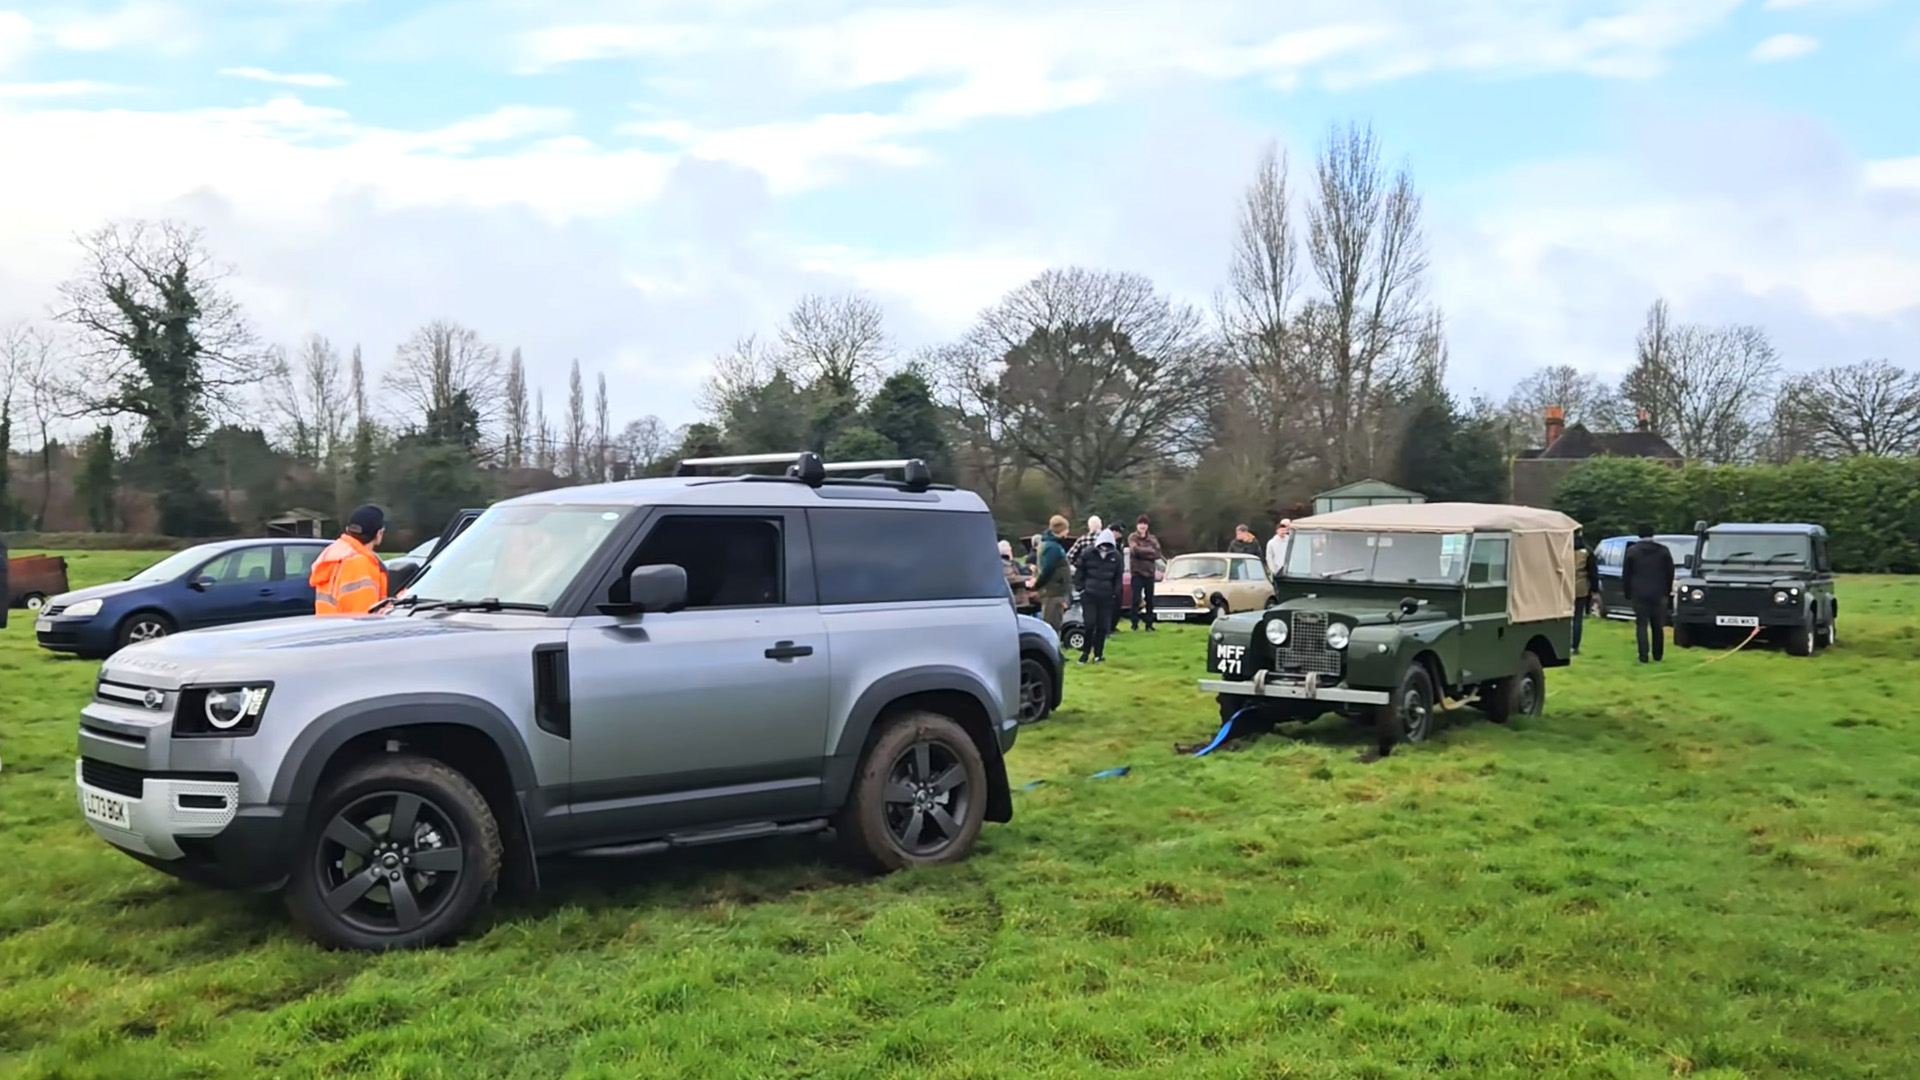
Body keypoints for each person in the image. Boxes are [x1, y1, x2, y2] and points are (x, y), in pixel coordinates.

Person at [311, 504, 389, 616]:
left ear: (348, 530)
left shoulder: (334, 553)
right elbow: (363, 615)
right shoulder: (360, 563)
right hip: (351, 630)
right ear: (379, 534)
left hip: (329, 629)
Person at [1621, 524, 1676, 663]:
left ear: (1639, 535)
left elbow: (1626, 574)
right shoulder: (1663, 551)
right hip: (1659, 593)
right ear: (1653, 534)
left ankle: (1643, 655)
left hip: (1639, 593)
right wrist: (1667, 590)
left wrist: (1627, 592)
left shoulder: (1632, 551)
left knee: (1641, 625)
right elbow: (1670, 572)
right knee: (1657, 625)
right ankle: (1658, 655)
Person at [1072, 529, 1124, 663]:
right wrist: (1081, 589)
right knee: (1089, 624)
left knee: (1102, 627)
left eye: (1108, 545)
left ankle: (1098, 655)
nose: (1105, 548)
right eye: (1103, 545)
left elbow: (1118, 578)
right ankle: (1085, 653)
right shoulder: (1088, 553)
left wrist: (1115, 594)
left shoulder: (1116, 557)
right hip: (1089, 595)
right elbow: (1079, 572)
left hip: (1106, 597)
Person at [1033, 516, 1073, 631]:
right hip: (1053, 593)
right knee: (1053, 626)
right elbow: (1047, 569)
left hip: (1052, 592)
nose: (1068, 532)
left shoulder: (1049, 544)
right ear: (1062, 529)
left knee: (1053, 624)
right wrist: (1037, 583)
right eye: (1066, 529)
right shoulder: (1053, 547)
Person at [1126, 515, 1164, 631]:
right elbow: (1134, 550)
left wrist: (1142, 552)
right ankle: (1134, 624)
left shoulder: (1152, 538)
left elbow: (1157, 553)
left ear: (1147, 526)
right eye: (1140, 524)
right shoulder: (1132, 537)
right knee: (1136, 599)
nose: (1142, 526)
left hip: (1149, 573)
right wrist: (1149, 552)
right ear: (1137, 525)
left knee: (1150, 600)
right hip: (1137, 573)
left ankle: (1149, 624)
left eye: (1144, 524)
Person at [1571, 529, 1600, 655]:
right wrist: (1594, 589)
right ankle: (1575, 646)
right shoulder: (1587, 551)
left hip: (1564, 586)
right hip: (1581, 586)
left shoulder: (1562, 548)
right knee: (1578, 617)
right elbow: (1593, 572)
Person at [1000, 539, 1034, 610]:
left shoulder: (1012, 562)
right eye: (1010, 549)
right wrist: (1028, 579)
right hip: (1016, 599)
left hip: (1021, 596)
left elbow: (1022, 569)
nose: (1011, 550)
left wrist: (1029, 566)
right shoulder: (1004, 565)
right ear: (1006, 552)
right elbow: (1011, 578)